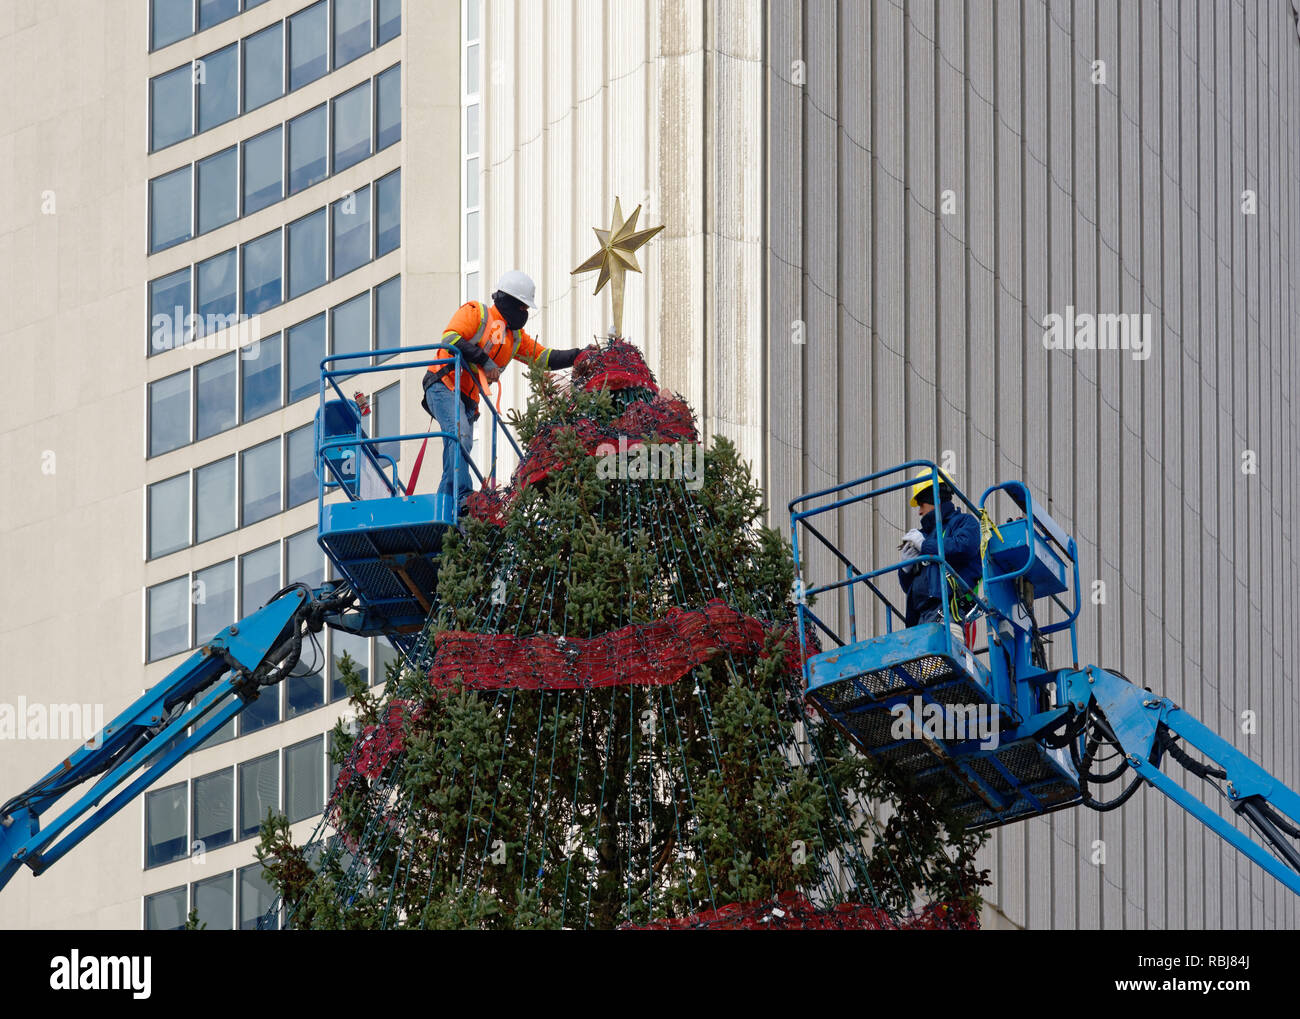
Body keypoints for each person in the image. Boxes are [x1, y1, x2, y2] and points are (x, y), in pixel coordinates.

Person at [421, 271, 596, 506]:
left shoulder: (515, 338)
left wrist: (578, 355)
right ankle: (461, 496)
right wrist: (484, 359)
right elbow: (450, 338)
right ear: (507, 301)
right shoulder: (476, 313)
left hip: (468, 398)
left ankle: (445, 505)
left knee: (460, 443)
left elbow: (544, 357)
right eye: (521, 307)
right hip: (443, 384)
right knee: (460, 435)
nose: (524, 313)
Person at [897, 469, 982, 646]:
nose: (919, 512)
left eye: (921, 505)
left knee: (942, 669)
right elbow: (912, 588)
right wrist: (906, 568)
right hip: (920, 618)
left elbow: (963, 548)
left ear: (934, 499)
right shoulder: (925, 536)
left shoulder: (964, 523)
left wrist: (925, 545)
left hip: (948, 612)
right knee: (928, 670)